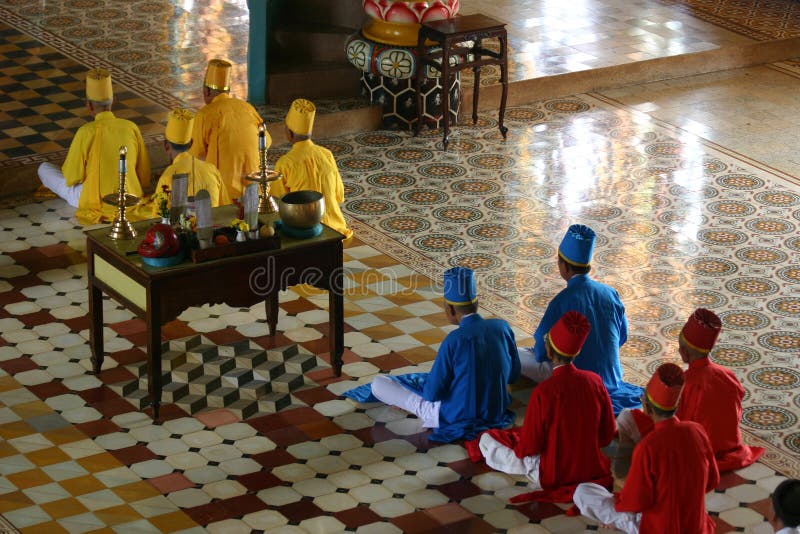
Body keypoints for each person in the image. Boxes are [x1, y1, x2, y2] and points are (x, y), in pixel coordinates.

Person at [466, 310, 616, 503]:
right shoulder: (595, 381)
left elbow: (529, 447)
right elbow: (606, 435)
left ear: (548, 350)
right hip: (592, 468)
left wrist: (523, 446)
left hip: (552, 474)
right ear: (577, 351)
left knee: (487, 440)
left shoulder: (544, 391)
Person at [370, 267, 520, 442]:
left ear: (450, 309)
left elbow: (432, 394)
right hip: (496, 411)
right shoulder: (502, 327)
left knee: (379, 383)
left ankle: (416, 409)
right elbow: (514, 375)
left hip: (454, 415)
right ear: (477, 303)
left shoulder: (454, 340)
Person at [573, 363, 719, 534]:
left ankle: (621, 523)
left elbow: (636, 502)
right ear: (677, 406)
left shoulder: (648, 446)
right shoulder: (697, 431)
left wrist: (619, 508)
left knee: (582, 492)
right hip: (695, 525)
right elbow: (711, 481)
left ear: (647, 407)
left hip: (657, 528)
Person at [616, 308, 765, 472]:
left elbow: (670, 420)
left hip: (694, 449)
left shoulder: (684, 382)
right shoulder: (728, 375)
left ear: (684, 353)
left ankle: (624, 470)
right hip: (731, 446)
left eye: (680, 347)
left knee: (627, 416)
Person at [519, 224, 642, 413]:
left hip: (573, 376)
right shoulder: (611, 293)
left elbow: (541, 349)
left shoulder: (561, 301)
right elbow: (622, 336)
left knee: (515, 353)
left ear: (564, 266)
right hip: (612, 376)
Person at [37, 68, 151, 224]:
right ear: (113, 101)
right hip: (130, 198)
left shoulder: (85, 131)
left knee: (44, 168)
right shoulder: (131, 127)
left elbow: (72, 177)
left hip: (93, 201)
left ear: (89, 106)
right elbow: (143, 174)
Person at [269, 98, 353, 239]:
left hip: (305, 231)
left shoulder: (285, 163)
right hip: (336, 229)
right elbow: (339, 194)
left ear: (289, 133)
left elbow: (279, 205)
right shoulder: (327, 154)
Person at [190, 58, 267, 201]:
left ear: (206, 91)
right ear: (229, 90)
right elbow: (266, 141)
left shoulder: (205, 114)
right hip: (255, 188)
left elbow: (195, 154)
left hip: (224, 193)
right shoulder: (247, 108)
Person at [150, 108, 229, 216]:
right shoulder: (211, 169)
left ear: (166, 146)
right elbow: (225, 206)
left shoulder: (168, 176)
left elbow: (158, 216)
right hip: (211, 227)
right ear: (191, 144)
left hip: (182, 231)